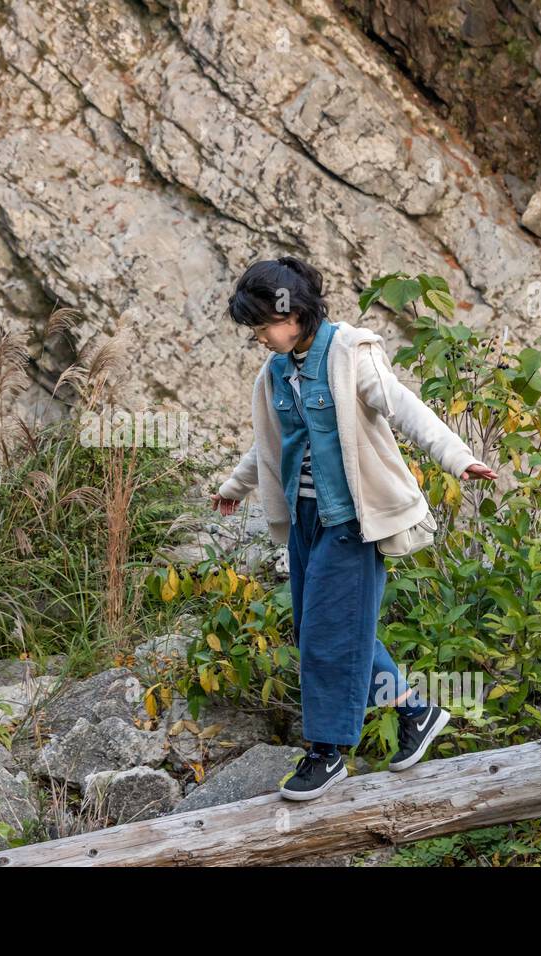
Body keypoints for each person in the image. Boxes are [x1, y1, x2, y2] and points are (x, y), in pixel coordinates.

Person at [211, 256, 498, 801]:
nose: (259, 338)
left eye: (262, 326)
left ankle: (327, 752)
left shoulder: (349, 353)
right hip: (304, 522)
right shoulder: (275, 372)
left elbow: (404, 408)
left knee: (325, 636)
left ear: (293, 313)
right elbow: (269, 443)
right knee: (328, 628)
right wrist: (234, 487)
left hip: (351, 522)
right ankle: (416, 710)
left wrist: (457, 458)